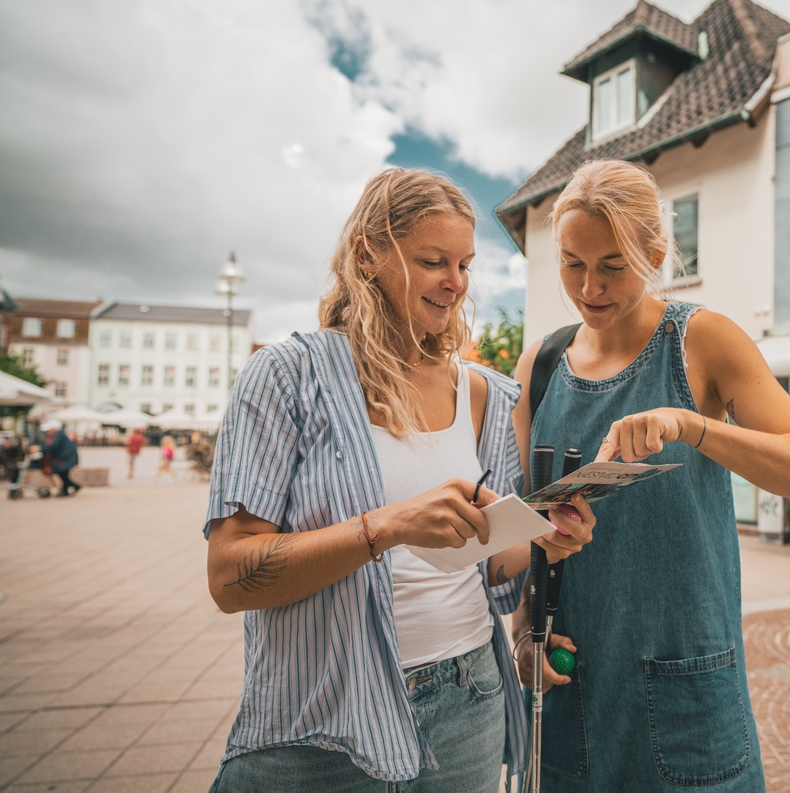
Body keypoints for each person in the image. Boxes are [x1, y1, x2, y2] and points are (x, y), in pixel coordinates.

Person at [203, 168, 596, 792]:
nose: (456, 284)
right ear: (368, 254)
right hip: (321, 720)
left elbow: (487, 564)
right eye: (433, 260)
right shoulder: (286, 377)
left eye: (465, 264)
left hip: (469, 700)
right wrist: (387, 527)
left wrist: (540, 533)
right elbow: (229, 577)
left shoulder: (486, 395)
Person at [511, 160, 790, 792]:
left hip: (686, 698)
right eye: (572, 263)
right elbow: (528, 531)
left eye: (613, 264)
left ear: (656, 251)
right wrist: (525, 634)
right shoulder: (541, 365)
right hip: (568, 697)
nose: (590, 287)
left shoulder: (703, 341)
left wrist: (692, 426)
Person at [40, 419, 81, 497]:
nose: (47, 432)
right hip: (66, 458)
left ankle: (68, 489)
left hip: (67, 459)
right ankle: (70, 488)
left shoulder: (59, 434)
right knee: (63, 474)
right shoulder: (58, 434)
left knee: (63, 473)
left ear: (53, 429)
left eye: (49, 430)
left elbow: (54, 445)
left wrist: (40, 448)